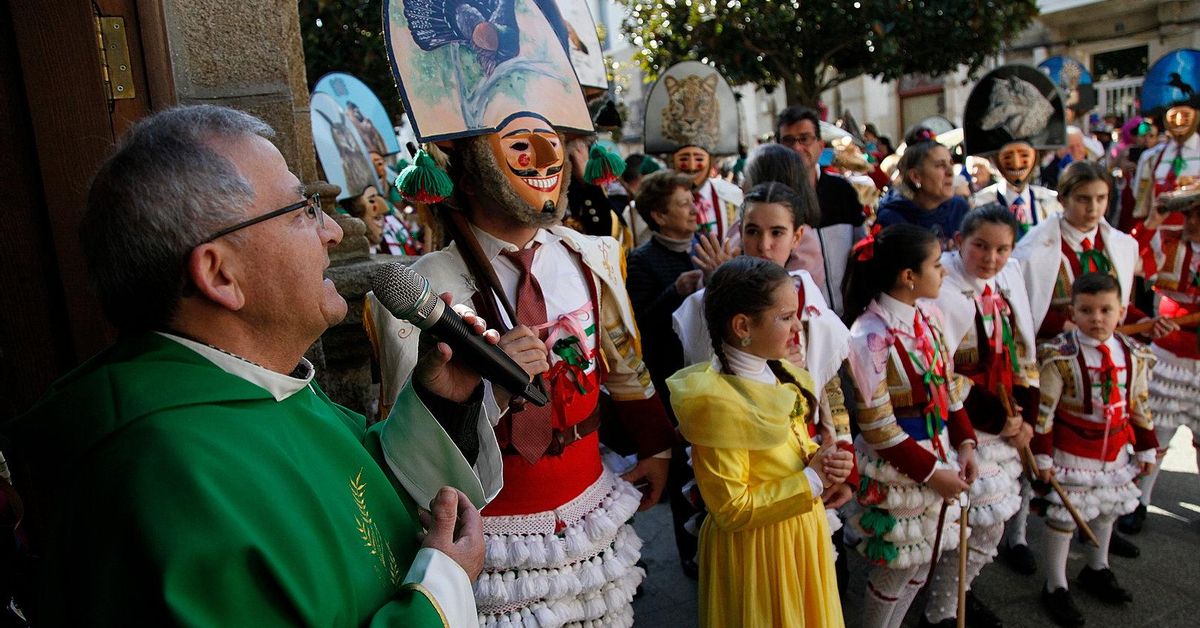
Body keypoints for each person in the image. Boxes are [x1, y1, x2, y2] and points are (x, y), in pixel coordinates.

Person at [5, 105, 486, 626]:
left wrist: (440, 399)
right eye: (303, 209)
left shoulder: (253, 387)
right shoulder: (169, 479)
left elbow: (349, 493)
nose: (332, 231)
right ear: (220, 274)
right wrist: (440, 596)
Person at [371, 5, 677, 622]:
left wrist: (657, 447)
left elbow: (624, 366)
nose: (546, 157)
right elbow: (409, 452)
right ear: (469, 159)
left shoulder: (591, 256)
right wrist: (489, 390)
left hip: (594, 507)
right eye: (519, 141)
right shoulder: (420, 292)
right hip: (499, 540)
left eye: (555, 139)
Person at [667, 257, 852, 628]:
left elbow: (792, 448)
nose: (797, 326)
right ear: (742, 326)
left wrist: (824, 461)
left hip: (799, 530)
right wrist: (811, 480)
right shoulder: (717, 403)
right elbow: (731, 509)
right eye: (785, 317)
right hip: (760, 550)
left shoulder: (780, 374)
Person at [842, 223, 978, 628]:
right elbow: (879, 427)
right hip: (902, 466)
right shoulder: (869, 336)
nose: (945, 272)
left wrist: (966, 443)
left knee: (924, 560)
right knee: (895, 568)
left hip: (938, 453)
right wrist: (934, 473)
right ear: (908, 276)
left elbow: (949, 388)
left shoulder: (930, 316)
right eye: (937, 264)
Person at [921, 206, 1040, 628]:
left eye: (1002, 249)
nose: (991, 259)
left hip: (1003, 418)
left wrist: (1025, 414)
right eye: (981, 247)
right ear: (959, 241)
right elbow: (938, 372)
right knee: (966, 524)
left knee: (991, 525)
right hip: (963, 424)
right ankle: (940, 609)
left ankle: (955, 600)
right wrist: (995, 419)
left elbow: (1022, 348)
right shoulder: (941, 289)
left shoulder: (1005, 280)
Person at [1032, 273, 1159, 627]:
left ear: (1121, 311)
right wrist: (1043, 455)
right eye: (1087, 310)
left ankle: (1097, 567)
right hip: (1072, 451)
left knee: (1107, 509)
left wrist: (1147, 448)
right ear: (1072, 311)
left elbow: (1140, 405)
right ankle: (1055, 584)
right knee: (1064, 516)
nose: (1097, 318)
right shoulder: (1059, 356)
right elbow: (1044, 413)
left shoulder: (1134, 355)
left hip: (1115, 450)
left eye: (1106, 310)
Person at [625, 169, 704, 578]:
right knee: (682, 472)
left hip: (707, 375)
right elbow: (639, 327)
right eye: (684, 204)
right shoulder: (640, 261)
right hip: (672, 380)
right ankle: (690, 551)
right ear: (658, 216)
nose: (694, 210)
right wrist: (675, 291)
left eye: (693, 202)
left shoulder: (702, 248)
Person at [1120, 199, 1199, 535]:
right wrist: (1153, 218)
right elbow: (1130, 255)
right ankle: (1140, 502)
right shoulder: (1169, 244)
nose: (1194, 220)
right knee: (1156, 432)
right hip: (1168, 353)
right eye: (1192, 213)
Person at [777, 106, 866, 314]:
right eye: (789, 141)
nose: (797, 148)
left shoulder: (842, 190)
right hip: (799, 320)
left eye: (804, 138)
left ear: (820, 145)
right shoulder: (772, 200)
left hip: (847, 315)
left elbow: (861, 249)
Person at [963, 64, 1068, 239]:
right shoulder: (980, 205)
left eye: (1024, 155)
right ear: (995, 160)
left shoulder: (1052, 203)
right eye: (1008, 156)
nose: (1017, 164)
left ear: (1036, 158)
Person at [644, 62, 744, 241]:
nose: (691, 166)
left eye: (698, 158)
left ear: (711, 161)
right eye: (684, 158)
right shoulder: (650, 204)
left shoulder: (732, 199)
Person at [876, 128, 970, 250]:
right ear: (916, 176)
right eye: (940, 165)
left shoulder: (959, 207)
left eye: (950, 163)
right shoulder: (893, 218)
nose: (950, 172)